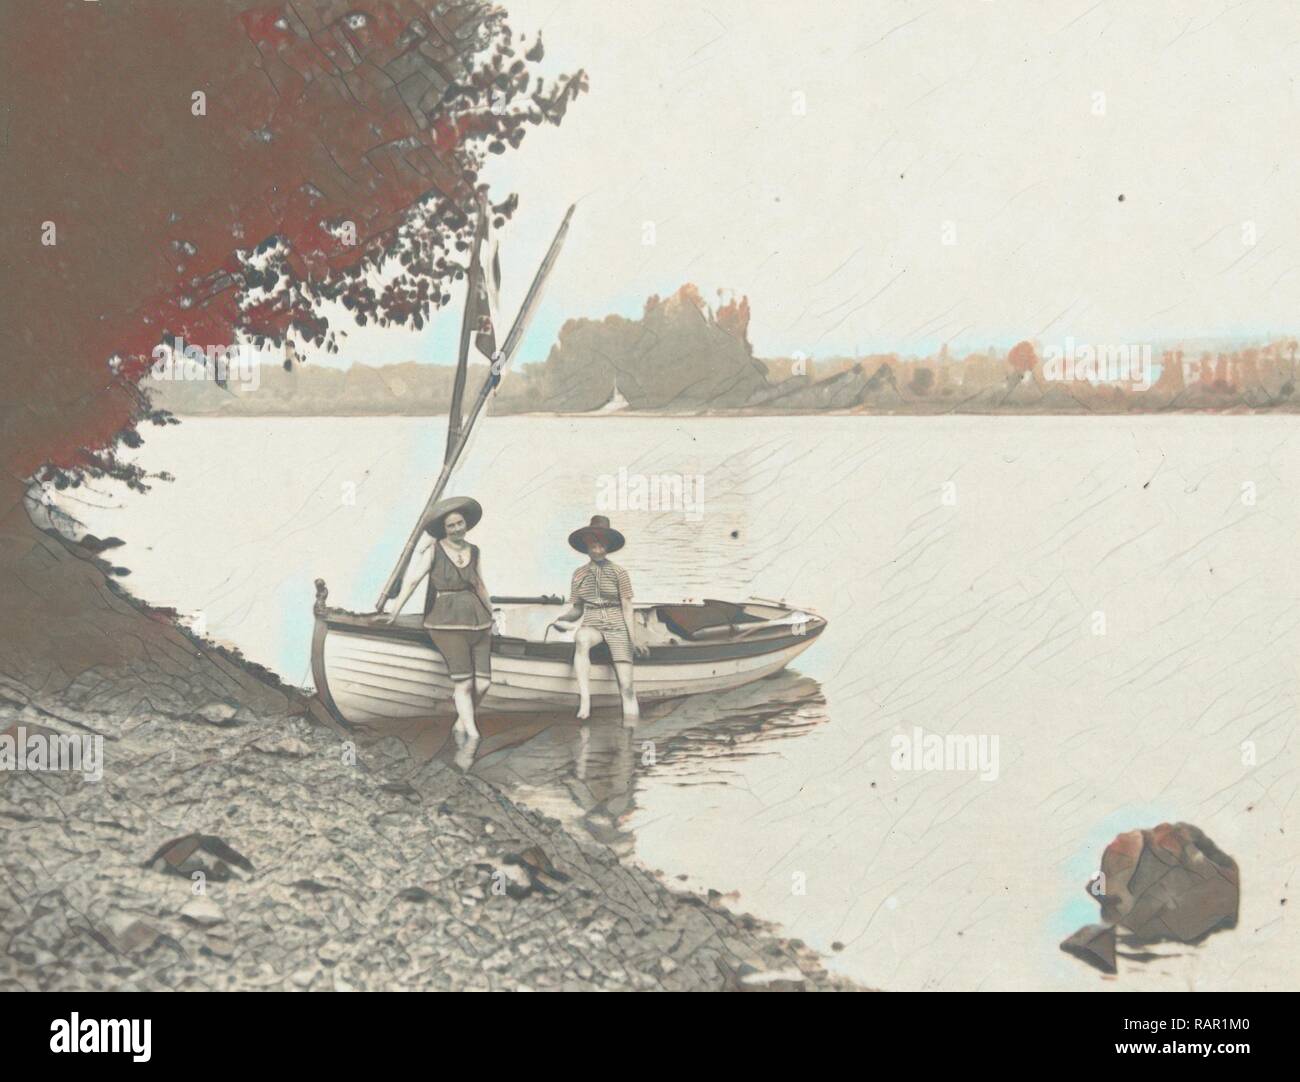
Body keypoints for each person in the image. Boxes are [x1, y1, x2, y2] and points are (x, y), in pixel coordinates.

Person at [386, 496, 493, 742]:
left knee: (484, 685)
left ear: (467, 524)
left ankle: (460, 722)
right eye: (451, 526)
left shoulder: (474, 551)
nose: (457, 529)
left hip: (479, 620)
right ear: (443, 530)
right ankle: (473, 734)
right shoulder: (434, 551)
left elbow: (480, 584)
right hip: (446, 622)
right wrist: (395, 611)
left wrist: (491, 612)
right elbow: (413, 581)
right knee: (464, 684)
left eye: (460, 523)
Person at [547, 515, 648, 723]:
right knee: (581, 638)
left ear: (608, 546)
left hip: (617, 625)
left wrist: (633, 639)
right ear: (586, 545)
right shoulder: (579, 574)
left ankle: (630, 730)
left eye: (602, 544)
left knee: (627, 688)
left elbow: (628, 608)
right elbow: (577, 609)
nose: (597, 549)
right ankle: (585, 700)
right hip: (592, 622)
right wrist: (562, 618)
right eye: (593, 544)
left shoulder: (619, 572)